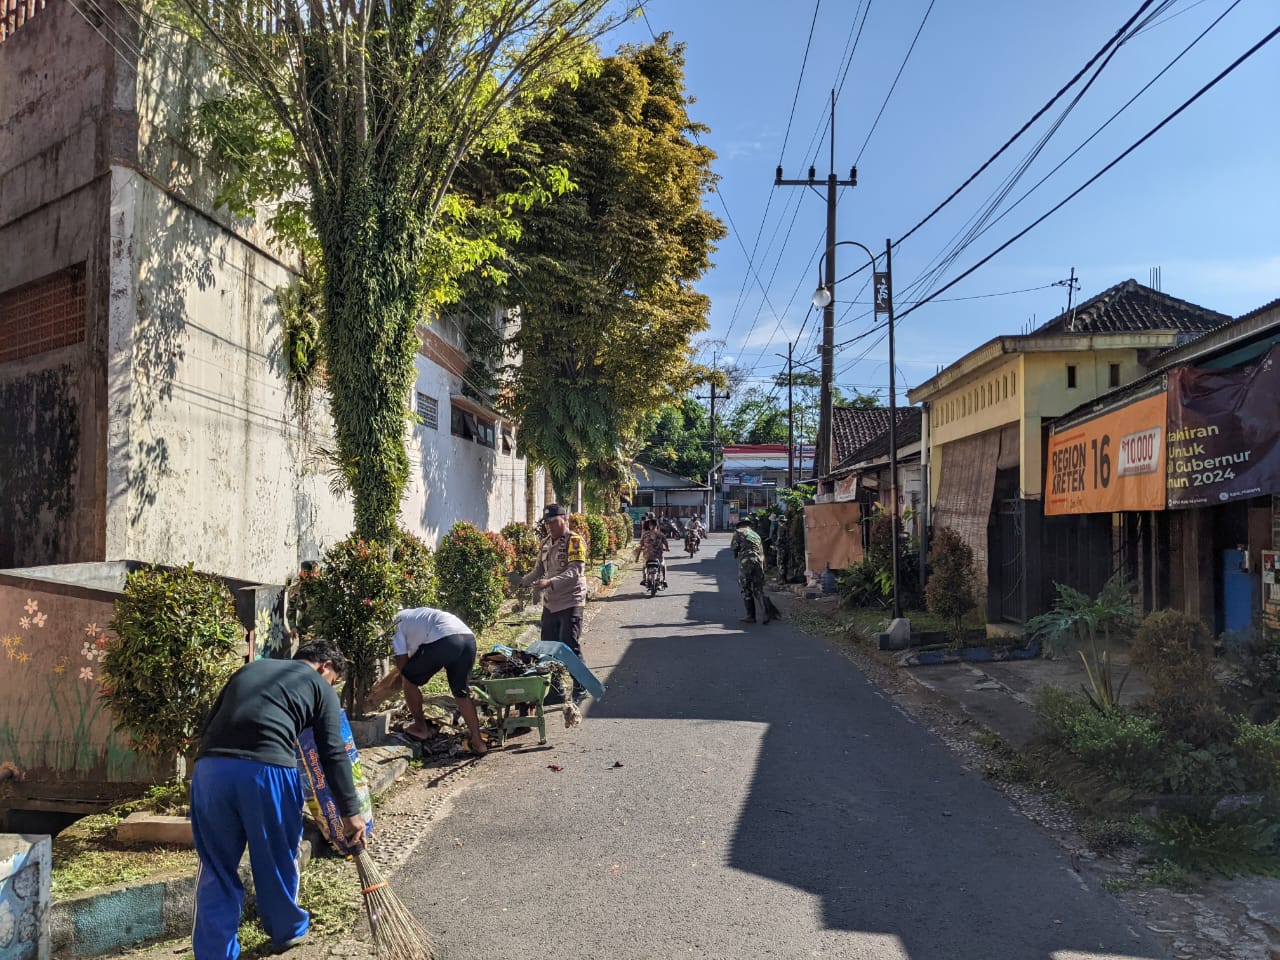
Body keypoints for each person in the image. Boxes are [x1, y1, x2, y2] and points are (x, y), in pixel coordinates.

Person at [191, 641, 365, 959]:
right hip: (267, 770)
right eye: (334, 681)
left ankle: (215, 952)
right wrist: (350, 811)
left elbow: (208, 722)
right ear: (325, 666)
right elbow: (332, 750)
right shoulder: (318, 685)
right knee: (276, 855)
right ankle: (287, 930)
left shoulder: (250, 668)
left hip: (210, 770)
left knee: (216, 865)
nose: (332, 687)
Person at [392, 605, 487, 757]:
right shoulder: (414, 616)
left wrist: (407, 677)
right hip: (468, 638)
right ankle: (478, 742)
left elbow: (403, 666)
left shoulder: (394, 623)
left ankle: (420, 729)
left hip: (445, 639)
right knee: (461, 692)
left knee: (409, 680)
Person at [522, 503, 589, 699]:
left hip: (571, 601)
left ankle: (581, 685)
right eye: (546, 523)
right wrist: (523, 581)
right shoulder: (544, 543)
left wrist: (550, 582)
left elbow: (576, 570)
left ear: (565, 519)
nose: (549, 526)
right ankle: (556, 688)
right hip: (551, 603)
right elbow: (538, 571)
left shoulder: (574, 541)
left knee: (569, 645)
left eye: (553, 521)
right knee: (548, 646)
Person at [731, 517, 770, 624]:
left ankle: (751, 616)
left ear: (740, 525)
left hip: (746, 563)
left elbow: (735, 548)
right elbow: (762, 552)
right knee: (758, 589)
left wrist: (736, 554)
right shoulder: (755, 534)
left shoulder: (738, 532)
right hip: (758, 562)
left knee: (745, 588)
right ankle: (766, 613)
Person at [635, 517, 670, 587]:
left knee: (644, 566)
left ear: (650, 526)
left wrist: (637, 557)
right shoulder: (661, 535)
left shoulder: (645, 534)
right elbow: (666, 544)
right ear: (657, 525)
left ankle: (644, 578)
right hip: (658, 557)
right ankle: (664, 579)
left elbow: (640, 546)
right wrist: (667, 548)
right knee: (663, 565)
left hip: (647, 556)